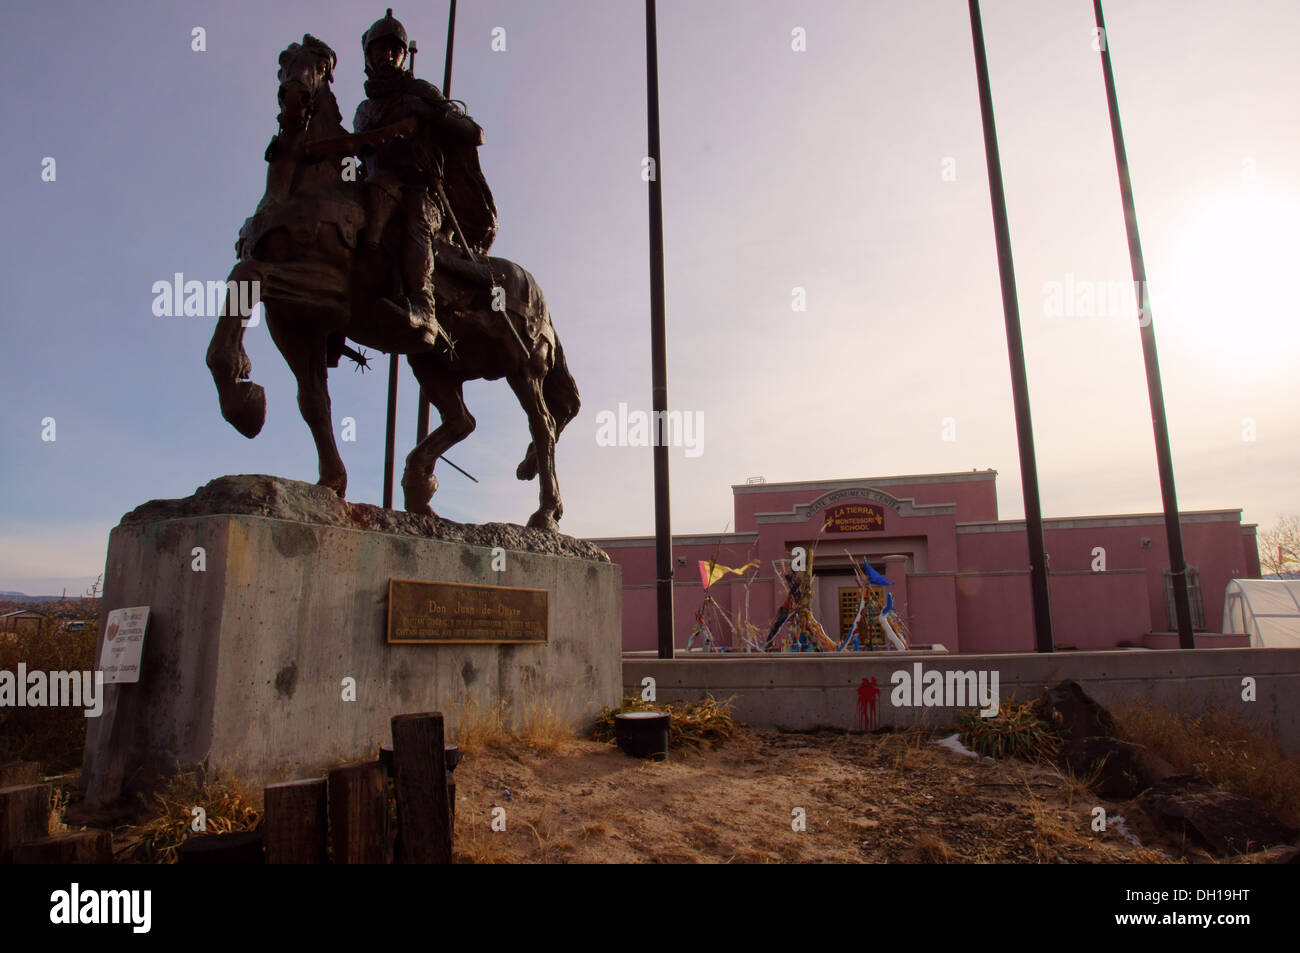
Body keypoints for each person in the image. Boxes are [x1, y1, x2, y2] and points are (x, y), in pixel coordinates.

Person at [353, 9, 495, 332]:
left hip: (424, 191)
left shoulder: (422, 92)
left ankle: (423, 304)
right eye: (380, 50)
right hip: (376, 187)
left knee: (417, 216)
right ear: (369, 55)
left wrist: (430, 113)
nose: (388, 56)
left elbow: (475, 134)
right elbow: (364, 142)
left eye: (395, 50)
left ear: (404, 56)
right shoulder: (365, 109)